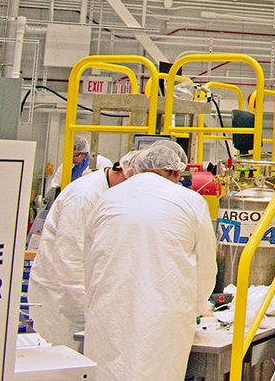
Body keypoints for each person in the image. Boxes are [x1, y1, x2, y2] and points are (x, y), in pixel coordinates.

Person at [83, 140, 217, 381]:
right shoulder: (190, 201)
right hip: (163, 315)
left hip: (107, 311)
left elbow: (90, 257)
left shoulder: (108, 198)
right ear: (176, 171)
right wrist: (197, 307)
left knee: (107, 372)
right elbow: (207, 265)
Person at [27, 150, 140, 349]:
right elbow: (70, 262)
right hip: (63, 305)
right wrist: (94, 312)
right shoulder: (84, 197)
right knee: (64, 367)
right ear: (126, 172)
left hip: (89, 300)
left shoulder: (114, 194)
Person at [49, 136, 114, 193]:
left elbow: (109, 186)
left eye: (75, 155)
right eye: (70, 155)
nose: (72, 159)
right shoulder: (66, 165)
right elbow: (56, 184)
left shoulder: (102, 163)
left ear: (85, 153)